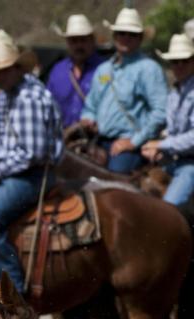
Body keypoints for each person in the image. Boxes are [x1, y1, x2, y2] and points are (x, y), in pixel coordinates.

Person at [0, 37, 65, 295]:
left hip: (31, 176)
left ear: (17, 68)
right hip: (17, 171)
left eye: (3, 71)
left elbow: (31, 154)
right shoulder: (12, 93)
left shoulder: (27, 98)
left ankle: (14, 289)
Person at [78, 7, 167, 173]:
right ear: (115, 36)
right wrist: (88, 119)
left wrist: (134, 141)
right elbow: (91, 105)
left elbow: (161, 111)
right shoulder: (104, 69)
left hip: (130, 144)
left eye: (132, 34)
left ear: (140, 39)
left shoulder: (148, 69)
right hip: (99, 140)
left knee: (115, 181)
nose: (126, 38)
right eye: (121, 33)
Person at [141, 34, 194, 206]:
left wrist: (162, 145)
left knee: (167, 208)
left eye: (184, 61)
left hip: (190, 164)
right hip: (174, 159)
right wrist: (160, 149)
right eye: (175, 61)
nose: (179, 65)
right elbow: (172, 131)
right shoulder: (174, 94)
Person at [46, 15, 106, 128]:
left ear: (92, 41)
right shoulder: (57, 71)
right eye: (74, 41)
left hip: (98, 135)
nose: (79, 45)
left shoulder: (105, 70)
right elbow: (48, 105)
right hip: (63, 135)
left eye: (83, 40)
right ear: (67, 43)